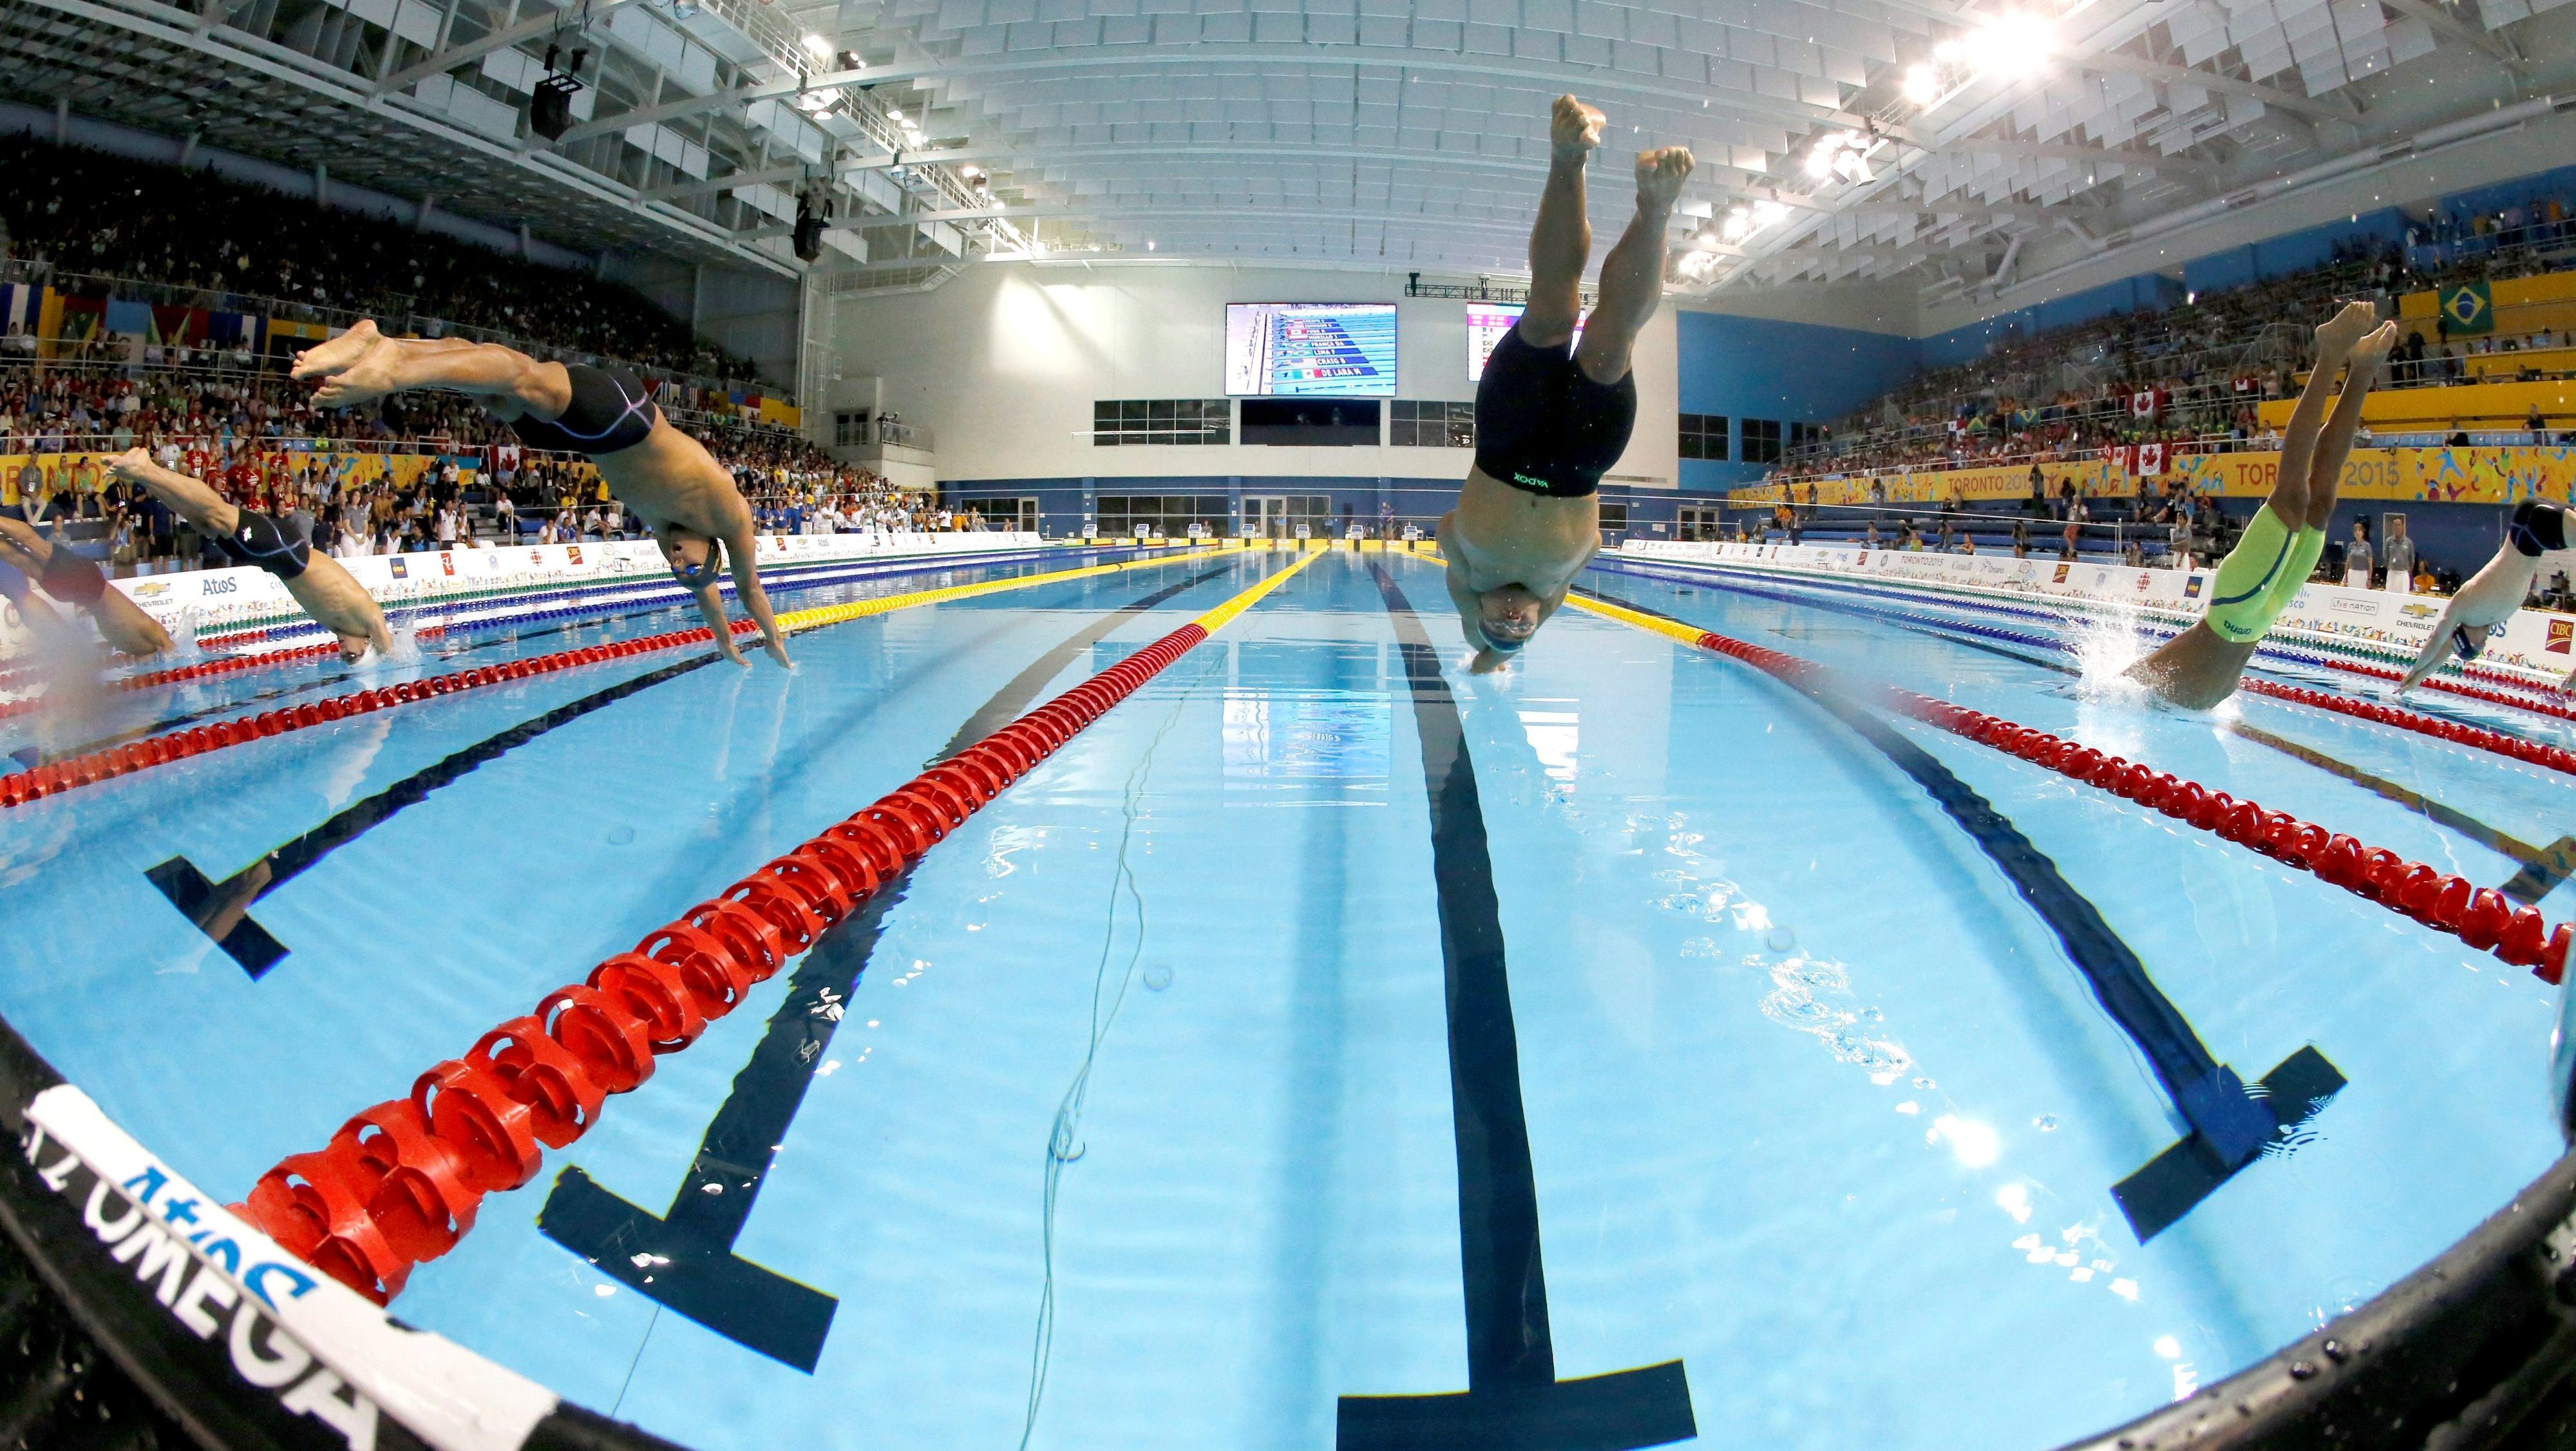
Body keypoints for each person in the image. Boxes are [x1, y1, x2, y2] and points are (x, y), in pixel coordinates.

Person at [290, 322, 790, 668]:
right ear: (713, 552)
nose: (677, 560)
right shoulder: (726, 511)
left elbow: (704, 591)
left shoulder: (669, 533)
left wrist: (724, 640)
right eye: (688, 563)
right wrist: (772, 638)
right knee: (523, 376)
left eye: (676, 567)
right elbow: (747, 588)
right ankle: (393, 366)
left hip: (579, 439)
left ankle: (382, 343)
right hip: (623, 416)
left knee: (490, 390)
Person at [1439, 95, 1690, 672]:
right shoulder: (1559, 586)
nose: (1511, 622)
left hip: (1507, 441)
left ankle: (1568, 157)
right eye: (1520, 630)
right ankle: (1655, 208)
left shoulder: (1464, 569)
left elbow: (1480, 637)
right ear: (1540, 620)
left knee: (1552, 311)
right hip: (1581, 459)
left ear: (1477, 615)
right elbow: (1518, 627)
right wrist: (1505, 649)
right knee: (1612, 342)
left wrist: (1487, 653)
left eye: (1497, 627)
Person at [2125, 303, 2396, 709]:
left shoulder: (2131, 692)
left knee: (2292, 497)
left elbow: (2112, 689)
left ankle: (2329, 353)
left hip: (2235, 606)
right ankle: (2361, 371)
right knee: (2321, 502)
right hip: (2260, 617)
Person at [104, 450, 396, 663]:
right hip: (287, 551)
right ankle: (146, 468)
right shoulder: (369, 619)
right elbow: (392, 654)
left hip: (272, 561)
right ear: (367, 645)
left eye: (344, 657)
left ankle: (145, 476)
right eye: (351, 655)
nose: (342, 651)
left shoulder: (342, 627)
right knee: (217, 512)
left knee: (205, 524)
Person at [2399, 499, 2572, 692]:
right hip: (2535, 537)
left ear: (2464, 636)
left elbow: (2438, 640)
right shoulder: (2491, 617)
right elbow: (2447, 649)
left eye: (2477, 645)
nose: (2483, 643)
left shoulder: (2463, 606)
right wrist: (2421, 677)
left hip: (2529, 531)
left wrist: (2414, 672)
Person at [0, 517, 171, 658]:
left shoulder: (140, 646)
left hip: (77, 592)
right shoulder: (155, 633)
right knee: (32, 545)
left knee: (21, 558)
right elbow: (171, 649)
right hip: (89, 583)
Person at [2382, 515, 2415, 593]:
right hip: (2392, 573)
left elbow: (2412, 560)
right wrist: (2390, 568)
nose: (2397, 527)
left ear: (2403, 527)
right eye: (2395, 525)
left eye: (2399, 525)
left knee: (2403, 596)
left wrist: (2407, 571)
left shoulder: (2408, 542)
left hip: (2403, 574)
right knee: (2390, 595)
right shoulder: (2389, 542)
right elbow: (2386, 558)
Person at [2344, 517, 2373, 589]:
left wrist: (2369, 579)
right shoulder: (2351, 545)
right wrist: (2346, 575)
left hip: (2363, 574)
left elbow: (2370, 564)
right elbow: (2348, 562)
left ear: (2363, 533)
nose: (2357, 532)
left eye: (2359, 531)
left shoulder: (2367, 546)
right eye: (2355, 531)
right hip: (2352, 573)